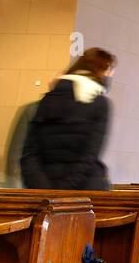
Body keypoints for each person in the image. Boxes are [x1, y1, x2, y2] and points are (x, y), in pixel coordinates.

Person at [21, 48, 116, 190]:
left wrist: (43, 190)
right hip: (84, 192)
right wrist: (64, 191)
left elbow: (29, 154)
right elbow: (89, 156)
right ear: (103, 70)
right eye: (109, 71)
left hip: (43, 189)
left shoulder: (47, 100)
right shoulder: (99, 103)